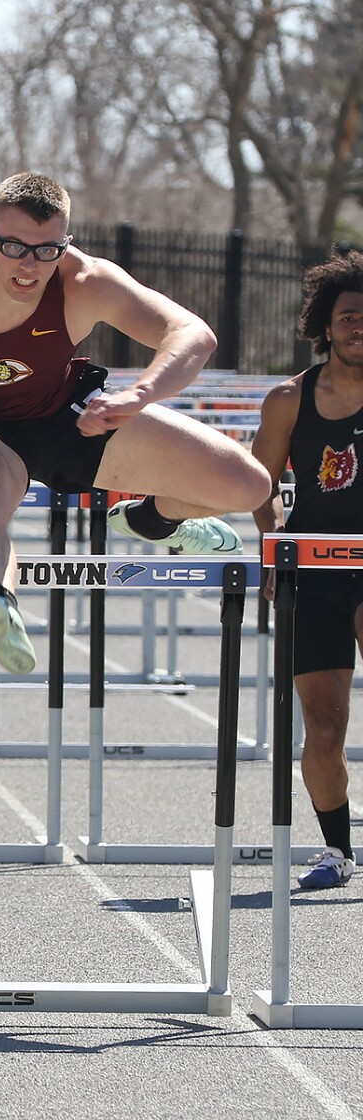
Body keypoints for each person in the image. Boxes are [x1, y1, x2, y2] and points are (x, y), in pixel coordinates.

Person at [0, 171, 270, 675]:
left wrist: (140, 394)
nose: (29, 266)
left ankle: (151, 520)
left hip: (67, 416)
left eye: (47, 251)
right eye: (15, 247)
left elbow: (193, 333)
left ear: (66, 244)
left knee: (249, 485)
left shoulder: (85, 283)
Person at [250, 250, 363, 890]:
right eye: (348, 317)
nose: (359, 328)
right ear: (326, 325)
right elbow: (258, 484)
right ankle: (337, 851)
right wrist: (273, 548)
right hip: (313, 568)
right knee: (322, 727)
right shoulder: (289, 400)